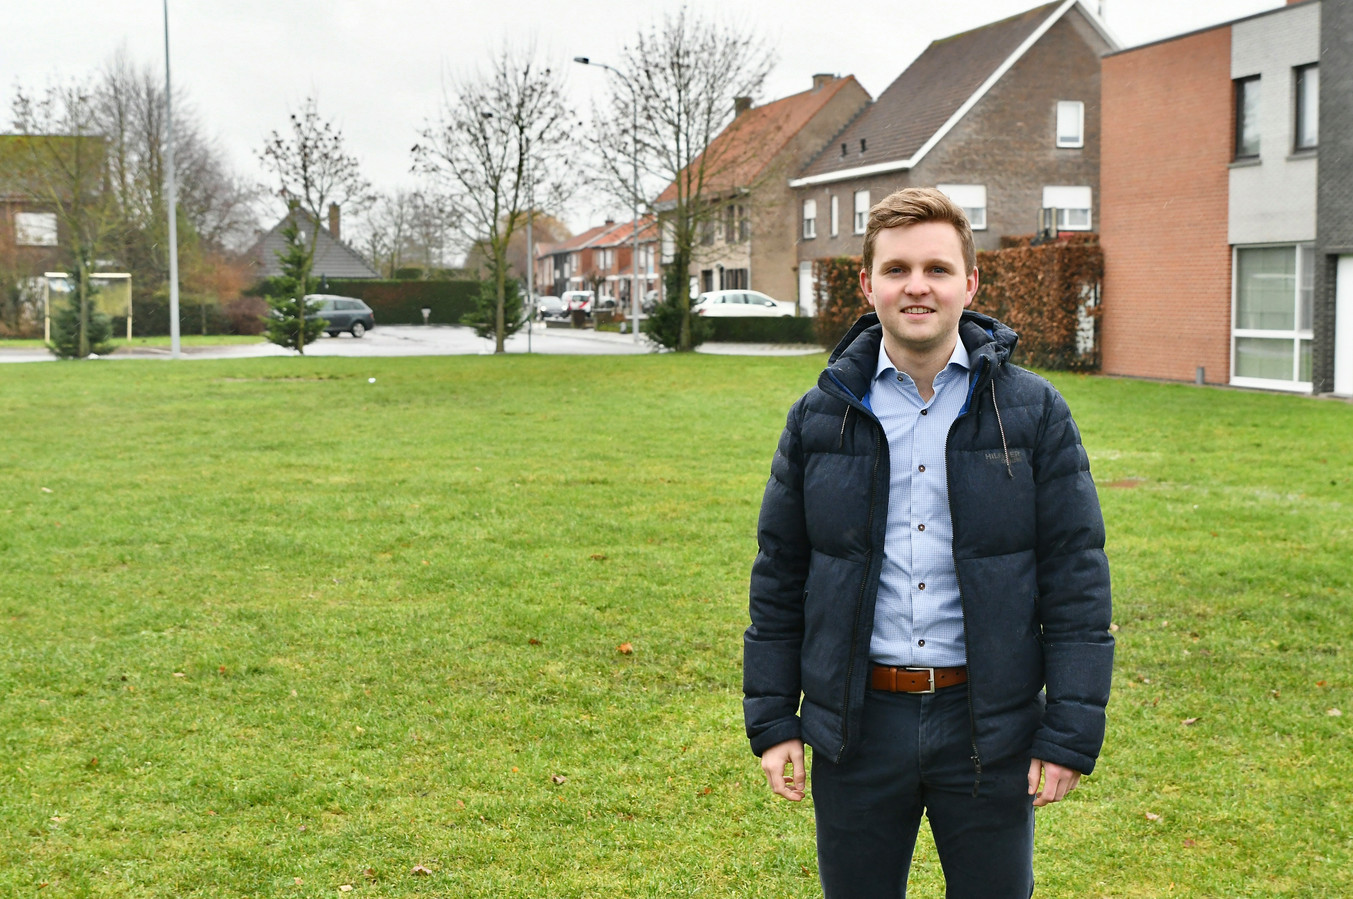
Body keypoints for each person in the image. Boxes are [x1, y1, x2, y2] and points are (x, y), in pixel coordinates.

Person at [743, 187, 1113, 898]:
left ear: (969, 284)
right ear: (868, 284)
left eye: (937, 269)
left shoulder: (1033, 412)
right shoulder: (819, 417)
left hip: (987, 729)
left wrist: (1067, 730)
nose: (917, 286)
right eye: (897, 269)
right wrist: (773, 718)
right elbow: (780, 574)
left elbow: (1076, 577)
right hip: (856, 728)